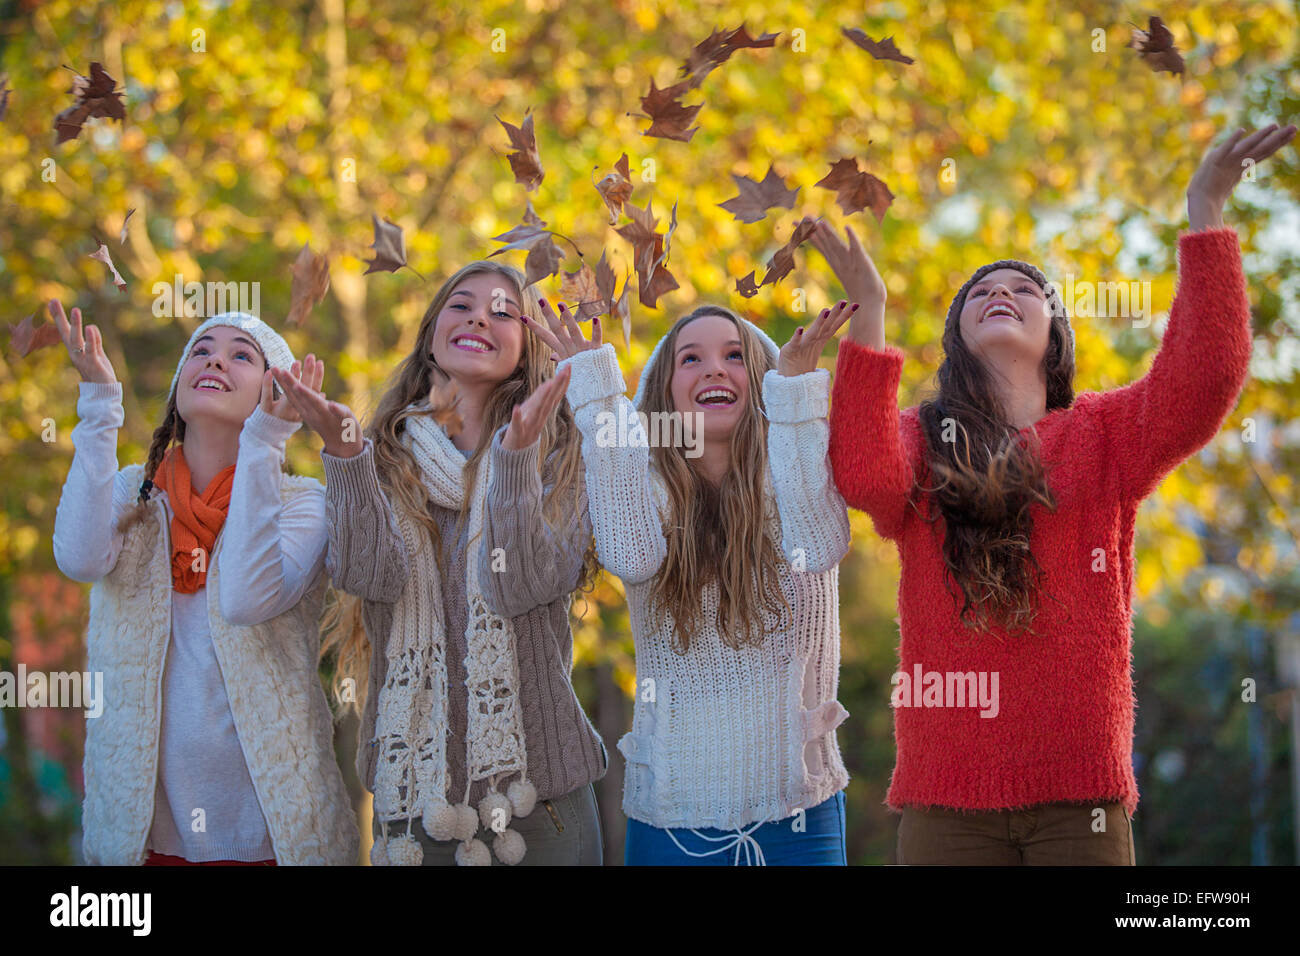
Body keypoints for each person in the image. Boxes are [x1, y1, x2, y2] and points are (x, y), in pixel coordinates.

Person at [819, 122, 1296, 864]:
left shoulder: (1106, 433)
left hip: (1084, 806)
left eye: (1024, 289)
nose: (1001, 292)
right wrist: (870, 318)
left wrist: (1206, 212)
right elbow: (865, 477)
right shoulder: (922, 436)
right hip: (946, 806)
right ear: (955, 339)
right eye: (982, 291)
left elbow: (1203, 381)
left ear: (1056, 336)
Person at [277, 261, 606, 865]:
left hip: (542, 807)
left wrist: (512, 462)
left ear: (529, 343)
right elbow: (367, 576)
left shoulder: (562, 452)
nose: (481, 315)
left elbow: (520, 583)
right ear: (432, 332)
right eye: (462, 304)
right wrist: (346, 457)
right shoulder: (379, 456)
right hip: (415, 811)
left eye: (505, 310)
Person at [525, 297, 854, 865]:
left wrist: (798, 400)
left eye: (733, 355)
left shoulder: (795, 468)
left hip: (800, 811)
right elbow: (630, 556)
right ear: (666, 392)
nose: (714, 369)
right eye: (691, 359)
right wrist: (602, 400)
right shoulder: (642, 487)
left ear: (760, 381)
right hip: (673, 818)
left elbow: (818, 546)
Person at [51, 304, 358, 865]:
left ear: (277, 396)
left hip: (272, 839)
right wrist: (98, 411)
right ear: (177, 390)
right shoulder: (133, 494)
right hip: (143, 841)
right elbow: (78, 557)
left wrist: (265, 441)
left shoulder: (303, 503)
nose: (216, 357)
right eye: (202, 349)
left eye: (242, 355)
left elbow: (245, 597)